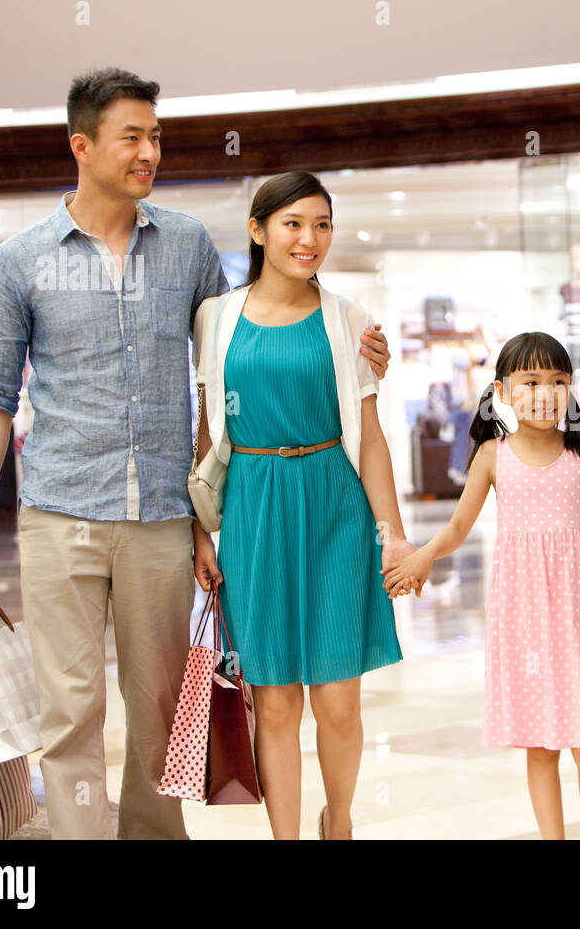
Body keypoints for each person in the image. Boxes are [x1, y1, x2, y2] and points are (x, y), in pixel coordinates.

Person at [0, 68, 393, 840]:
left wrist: (354, 355)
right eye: (134, 136)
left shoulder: (188, 245)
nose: (151, 151)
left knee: (158, 710)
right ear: (82, 145)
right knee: (70, 711)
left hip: (161, 516)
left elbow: (239, 349)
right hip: (59, 513)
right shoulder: (20, 260)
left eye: (156, 136)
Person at [191, 171, 417, 841]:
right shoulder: (216, 317)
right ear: (258, 231)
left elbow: (370, 438)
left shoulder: (349, 317)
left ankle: (338, 820)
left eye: (322, 224)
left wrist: (393, 537)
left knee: (339, 702)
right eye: (293, 223)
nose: (309, 239)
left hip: (335, 511)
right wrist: (200, 533)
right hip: (255, 510)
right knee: (277, 701)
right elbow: (207, 432)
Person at [382, 332, 580, 840]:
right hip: (524, 620)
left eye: (558, 381)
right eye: (531, 381)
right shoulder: (493, 456)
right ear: (503, 390)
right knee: (540, 744)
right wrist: (423, 557)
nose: (546, 392)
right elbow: (457, 528)